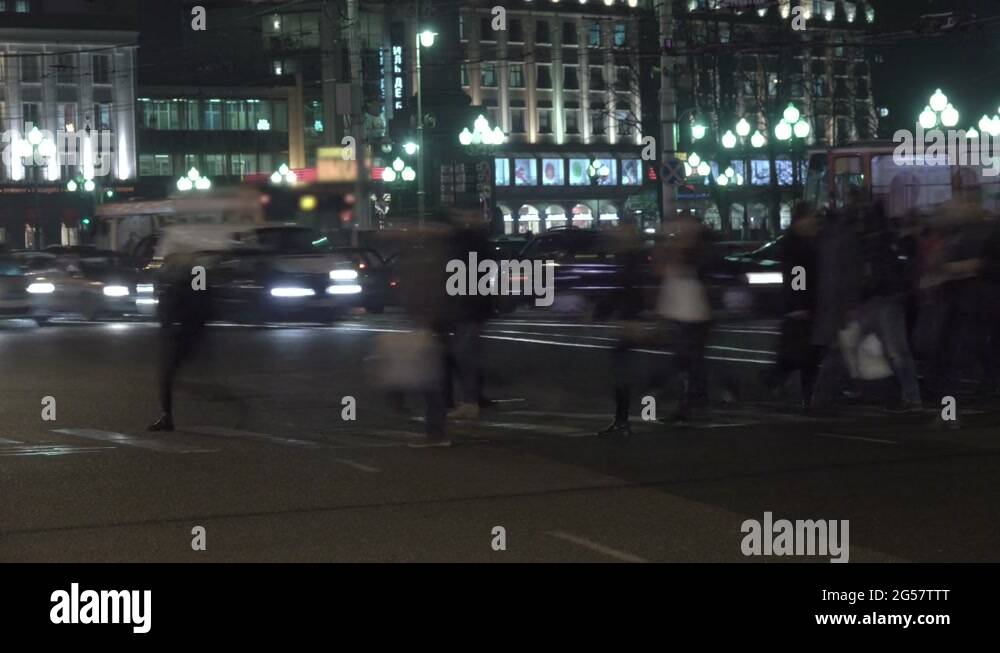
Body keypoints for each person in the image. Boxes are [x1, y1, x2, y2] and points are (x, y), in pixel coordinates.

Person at [148, 251, 216, 432]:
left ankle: (168, 415)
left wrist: (185, 323)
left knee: (169, 375)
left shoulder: (195, 272)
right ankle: (166, 415)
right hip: (179, 330)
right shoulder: (181, 273)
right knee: (168, 375)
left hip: (185, 330)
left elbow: (200, 301)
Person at [764, 202, 822, 408]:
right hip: (800, 308)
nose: (815, 221)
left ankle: (798, 391)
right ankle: (800, 392)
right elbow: (798, 274)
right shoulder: (797, 245)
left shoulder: (797, 242)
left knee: (799, 354)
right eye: (811, 217)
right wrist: (800, 303)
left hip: (801, 306)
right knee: (800, 354)